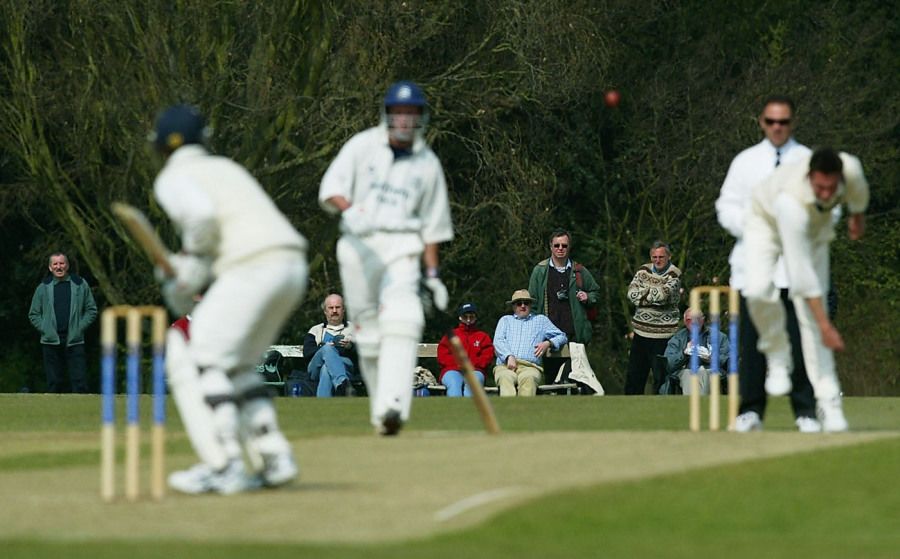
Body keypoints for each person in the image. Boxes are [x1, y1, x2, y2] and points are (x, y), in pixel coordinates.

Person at [150, 104, 308, 494]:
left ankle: (226, 464)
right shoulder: (226, 167)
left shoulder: (173, 176)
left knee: (203, 355)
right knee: (237, 366)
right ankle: (274, 456)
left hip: (252, 267)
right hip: (291, 266)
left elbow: (202, 221)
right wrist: (189, 273)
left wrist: (186, 268)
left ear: (162, 148)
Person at [318, 81, 453, 435]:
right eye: (399, 113)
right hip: (359, 250)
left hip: (402, 250)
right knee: (369, 336)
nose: (405, 121)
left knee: (405, 319)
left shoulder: (428, 165)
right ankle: (382, 411)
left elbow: (433, 227)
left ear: (420, 117)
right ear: (388, 115)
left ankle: (394, 404)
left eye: (412, 114)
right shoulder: (362, 147)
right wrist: (350, 210)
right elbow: (330, 189)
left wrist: (433, 274)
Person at [715, 95, 827, 433]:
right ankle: (750, 411)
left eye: (784, 122)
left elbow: (828, 204)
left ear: (792, 123)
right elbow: (726, 206)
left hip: (795, 270)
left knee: (799, 341)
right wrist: (753, 225)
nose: (777, 128)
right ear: (762, 123)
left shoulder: (808, 160)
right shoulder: (745, 162)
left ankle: (805, 411)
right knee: (752, 345)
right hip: (754, 270)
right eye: (771, 122)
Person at [743, 148, 868, 432]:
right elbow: (801, 279)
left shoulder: (851, 169)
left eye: (831, 187)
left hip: (816, 231)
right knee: (758, 290)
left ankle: (830, 405)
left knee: (810, 324)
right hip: (766, 222)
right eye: (820, 187)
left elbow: (858, 196)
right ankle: (776, 352)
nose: (826, 194)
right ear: (809, 177)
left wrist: (857, 217)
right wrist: (827, 326)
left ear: (840, 178)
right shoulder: (790, 202)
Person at [528, 228, 601, 386]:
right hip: (548, 337)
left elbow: (596, 293)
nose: (560, 249)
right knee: (550, 381)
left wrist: (588, 297)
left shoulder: (579, 271)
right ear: (550, 246)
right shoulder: (539, 271)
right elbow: (532, 304)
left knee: (575, 381)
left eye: (564, 246)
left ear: (569, 247)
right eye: (557, 245)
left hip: (574, 336)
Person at [28, 252, 98, 393]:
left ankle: (83, 410)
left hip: (75, 339)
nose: (58, 267)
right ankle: (52, 411)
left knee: (80, 381)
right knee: (54, 382)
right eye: (55, 264)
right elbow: (33, 314)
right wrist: (45, 329)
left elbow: (91, 310)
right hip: (50, 340)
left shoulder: (80, 284)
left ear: (67, 265)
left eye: (61, 263)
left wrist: (79, 328)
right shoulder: (42, 288)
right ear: (50, 267)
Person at [623, 241, 682, 394]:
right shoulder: (643, 270)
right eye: (654, 257)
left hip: (664, 335)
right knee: (634, 377)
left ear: (669, 257)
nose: (657, 260)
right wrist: (652, 295)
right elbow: (631, 294)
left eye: (661, 257)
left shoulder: (674, 274)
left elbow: (663, 296)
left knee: (661, 380)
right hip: (641, 333)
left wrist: (643, 294)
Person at [492, 289, 567, 397]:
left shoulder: (541, 320)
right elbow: (498, 341)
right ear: (513, 306)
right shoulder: (505, 320)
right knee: (505, 378)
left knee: (529, 379)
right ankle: (508, 412)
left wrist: (548, 343)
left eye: (526, 303)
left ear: (530, 305)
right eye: (519, 303)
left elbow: (562, 336)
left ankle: (524, 411)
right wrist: (508, 356)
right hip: (505, 366)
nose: (523, 306)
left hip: (530, 367)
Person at [661, 309, 729, 395]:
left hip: (711, 370)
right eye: (689, 319)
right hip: (686, 371)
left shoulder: (719, 336)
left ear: (703, 320)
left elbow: (729, 361)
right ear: (685, 321)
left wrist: (711, 359)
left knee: (703, 372)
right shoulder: (678, 338)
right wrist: (684, 354)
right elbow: (668, 364)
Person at [303, 293, 357, 397]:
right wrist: (325, 348)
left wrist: (349, 347)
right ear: (325, 311)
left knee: (326, 369)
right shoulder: (315, 330)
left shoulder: (353, 329)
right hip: (315, 369)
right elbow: (307, 353)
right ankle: (343, 383)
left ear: (343, 309)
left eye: (338, 307)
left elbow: (363, 354)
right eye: (331, 308)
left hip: (345, 367)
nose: (334, 311)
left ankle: (324, 406)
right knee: (327, 348)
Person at [436, 302, 494, 397]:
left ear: (475, 317)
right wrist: (459, 364)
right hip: (452, 370)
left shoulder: (483, 336)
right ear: (460, 317)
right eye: (465, 316)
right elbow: (442, 355)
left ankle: (469, 410)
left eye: (471, 316)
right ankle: (455, 410)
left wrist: (471, 364)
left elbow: (487, 356)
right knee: (454, 384)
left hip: (475, 370)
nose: (468, 320)